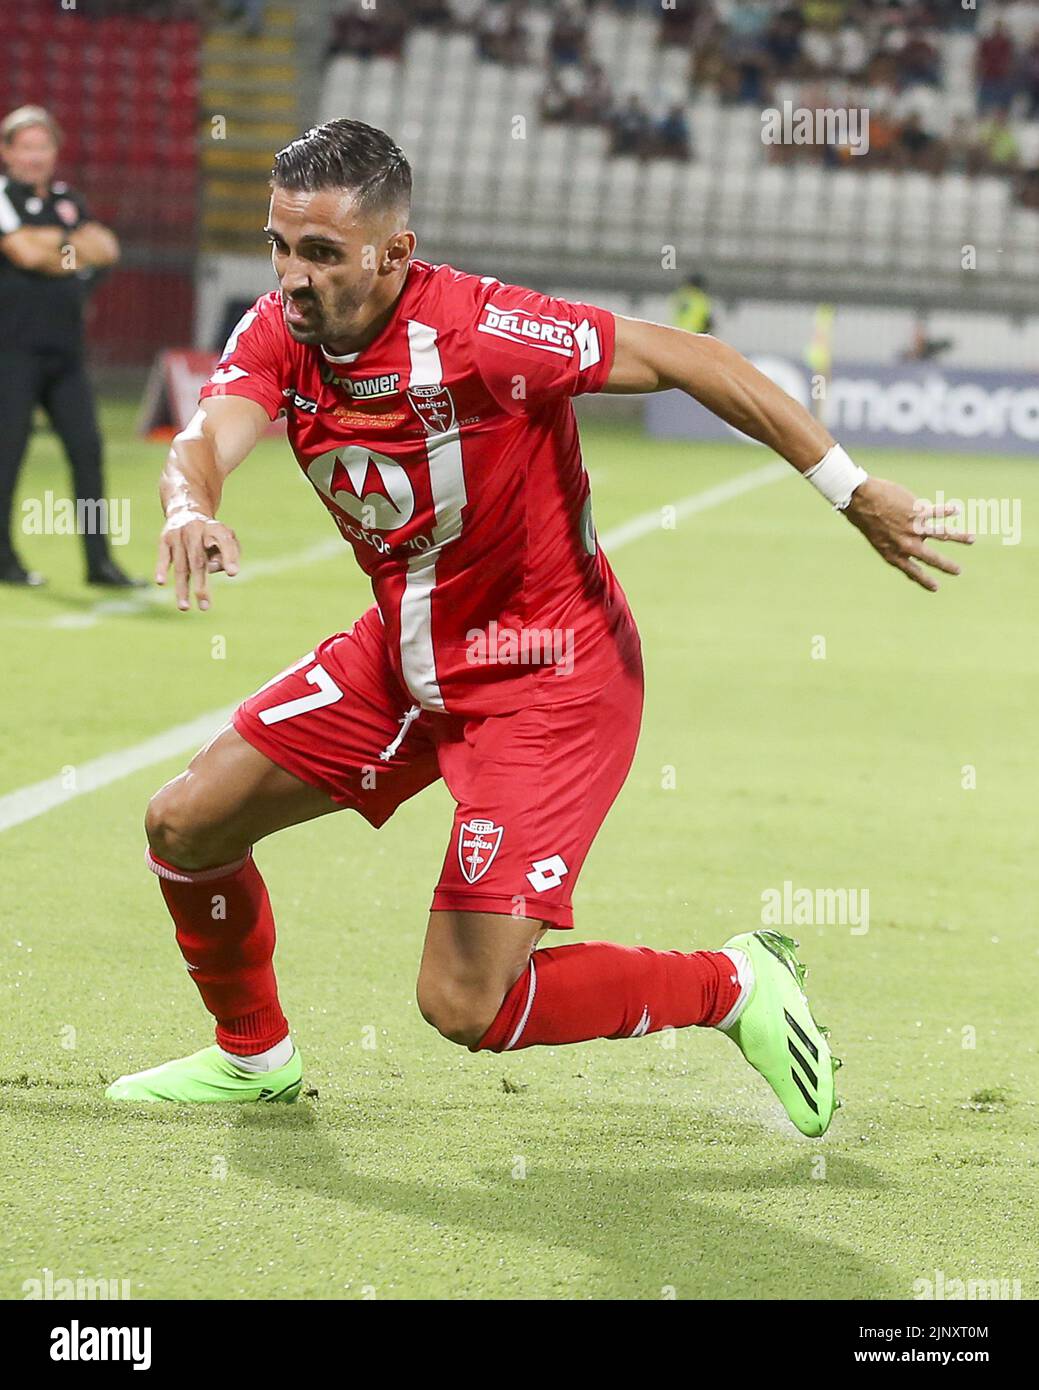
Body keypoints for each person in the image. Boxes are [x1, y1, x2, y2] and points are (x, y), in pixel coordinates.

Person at [106, 120, 972, 1137]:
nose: (293, 278)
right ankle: (254, 1056)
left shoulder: (482, 334)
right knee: (185, 823)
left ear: (395, 253)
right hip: (406, 652)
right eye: (280, 246)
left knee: (464, 1005)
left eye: (322, 254)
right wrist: (185, 505)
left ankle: (733, 984)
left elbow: (691, 356)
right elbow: (208, 436)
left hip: (548, 678)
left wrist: (854, 489)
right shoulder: (276, 333)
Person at [0, 106, 140, 587]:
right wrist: (70, 246)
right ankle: (2, 557)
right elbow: (23, 253)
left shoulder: (67, 199)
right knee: (7, 454)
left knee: (87, 450)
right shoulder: (1, 197)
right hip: (11, 352)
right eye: (26, 146)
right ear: (7, 152)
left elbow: (107, 247)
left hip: (66, 355)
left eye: (44, 146)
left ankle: (99, 562)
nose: (36, 156)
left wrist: (50, 247)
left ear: (55, 152)